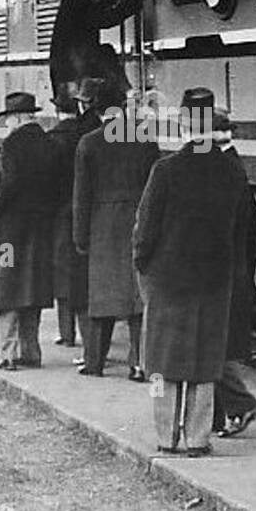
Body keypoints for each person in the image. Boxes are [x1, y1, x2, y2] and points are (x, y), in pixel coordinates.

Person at [133, 87, 249, 455]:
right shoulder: (232, 172)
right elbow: (242, 229)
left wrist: (142, 262)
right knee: (204, 361)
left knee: (164, 363)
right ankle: (198, 439)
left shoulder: (166, 169)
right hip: (214, 280)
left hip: (168, 280)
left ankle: (166, 438)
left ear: (184, 124)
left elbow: (145, 229)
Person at [74, 85, 159, 379]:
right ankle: (139, 364)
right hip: (137, 220)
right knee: (137, 299)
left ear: (97, 110)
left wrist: (80, 236)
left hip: (102, 227)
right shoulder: (144, 139)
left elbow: (81, 196)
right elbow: (155, 187)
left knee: (102, 297)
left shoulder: (89, 143)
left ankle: (94, 362)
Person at [0, 91, 58, 370]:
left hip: (9, 232)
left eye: (8, 118)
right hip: (39, 229)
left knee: (7, 287)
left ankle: (9, 353)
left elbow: (8, 183)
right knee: (31, 288)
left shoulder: (12, 144)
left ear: (16, 118)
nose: (7, 124)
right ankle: (31, 351)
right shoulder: (49, 143)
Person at [210, 108, 256, 437]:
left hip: (221, 268)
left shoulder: (224, 169)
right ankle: (220, 414)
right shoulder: (232, 164)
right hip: (232, 265)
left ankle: (240, 405)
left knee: (211, 343)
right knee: (217, 341)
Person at [46, 81, 102, 350]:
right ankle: (89, 335)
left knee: (62, 273)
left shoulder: (52, 139)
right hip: (86, 210)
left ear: (58, 111)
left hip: (60, 213)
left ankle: (65, 333)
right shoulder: (88, 134)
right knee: (83, 274)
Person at [47, 0, 145, 99]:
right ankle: (128, 91)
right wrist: (134, 1)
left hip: (67, 69)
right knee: (106, 53)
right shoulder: (78, 3)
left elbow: (100, 3)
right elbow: (106, 19)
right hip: (72, 70)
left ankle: (127, 91)